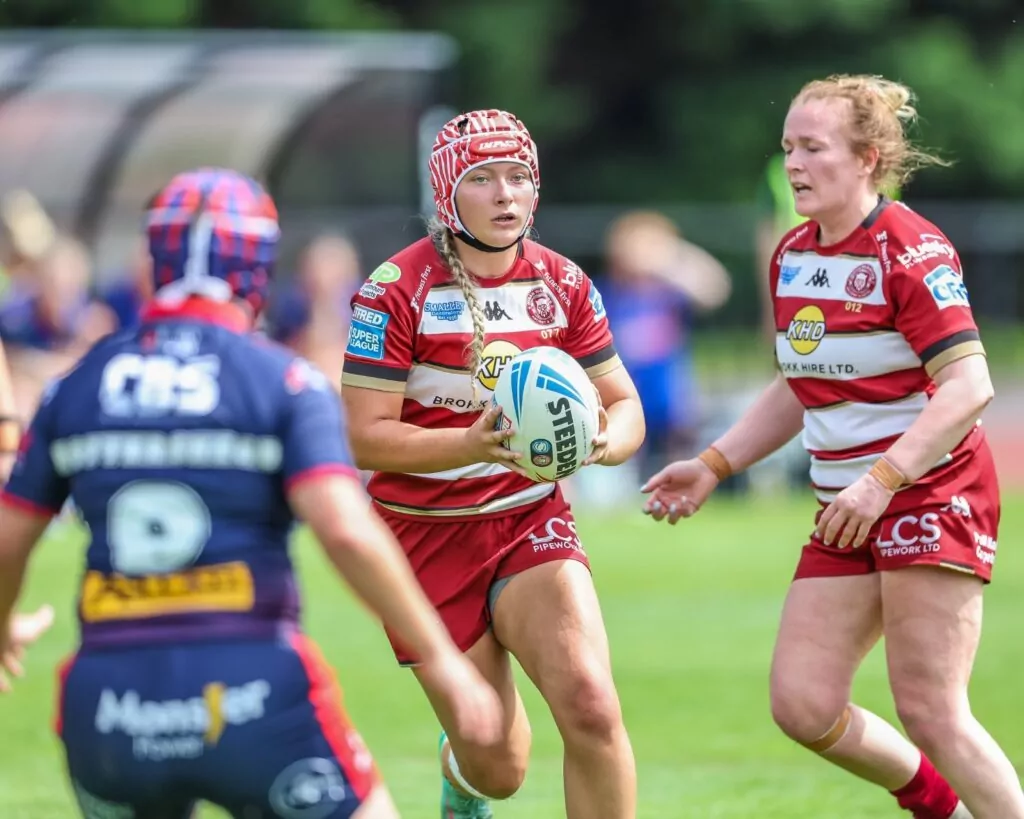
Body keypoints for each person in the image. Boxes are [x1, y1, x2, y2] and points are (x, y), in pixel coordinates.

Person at [0, 167, 502, 819]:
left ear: (153, 264)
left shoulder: (77, 385)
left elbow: (11, 534)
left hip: (110, 705)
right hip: (251, 692)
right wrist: (444, 661)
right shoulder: (284, 382)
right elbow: (346, 531)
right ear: (259, 271)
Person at [643, 74, 1022, 819]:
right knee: (803, 702)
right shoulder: (793, 254)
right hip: (848, 503)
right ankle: (936, 802)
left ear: (867, 159)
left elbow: (969, 383)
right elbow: (800, 382)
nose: (794, 164)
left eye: (813, 147)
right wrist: (715, 464)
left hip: (927, 491)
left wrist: (881, 479)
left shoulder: (910, 249)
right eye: (788, 147)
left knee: (931, 709)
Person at [340, 109, 646, 819]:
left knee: (593, 707)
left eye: (519, 177)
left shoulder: (562, 282)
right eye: (483, 178)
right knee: (497, 763)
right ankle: (464, 782)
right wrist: (469, 444)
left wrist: (601, 443)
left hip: (526, 519)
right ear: (447, 191)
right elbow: (361, 436)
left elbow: (624, 405)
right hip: (421, 538)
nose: (506, 194)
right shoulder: (394, 290)